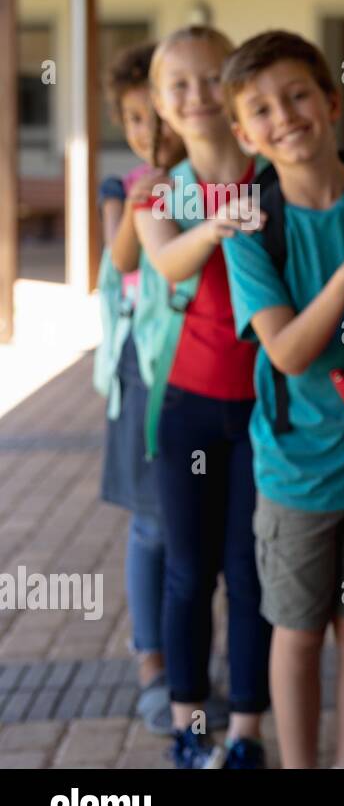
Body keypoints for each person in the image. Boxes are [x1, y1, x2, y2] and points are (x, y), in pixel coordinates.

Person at [221, 30, 344, 768]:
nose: (285, 115)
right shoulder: (250, 225)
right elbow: (287, 351)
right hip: (295, 467)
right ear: (244, 134)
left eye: (298, 94)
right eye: (261, 109)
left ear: (330, 101)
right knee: (298, 631)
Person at [132, 26, 271, 769]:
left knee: (250, 570)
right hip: (185, 405)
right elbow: (165, 260)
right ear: (159, 102)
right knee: (190, 571)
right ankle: (192, 734)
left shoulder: (271, 172)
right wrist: (217, 222)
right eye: (178, 84)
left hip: (265, 407)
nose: (197, 95)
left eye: (213, 78)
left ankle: (247, 733)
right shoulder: (156, 191)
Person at [94, 41, 185, 737]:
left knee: (198, 530)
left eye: (153, 114)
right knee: (152, 524)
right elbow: (124, 256)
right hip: (143, 370)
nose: (144, 129)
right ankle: (151, 659)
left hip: (198, 373)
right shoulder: (128, 186)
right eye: (131, 118)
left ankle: (189, 662)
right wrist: (142, 191)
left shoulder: (206, 181)